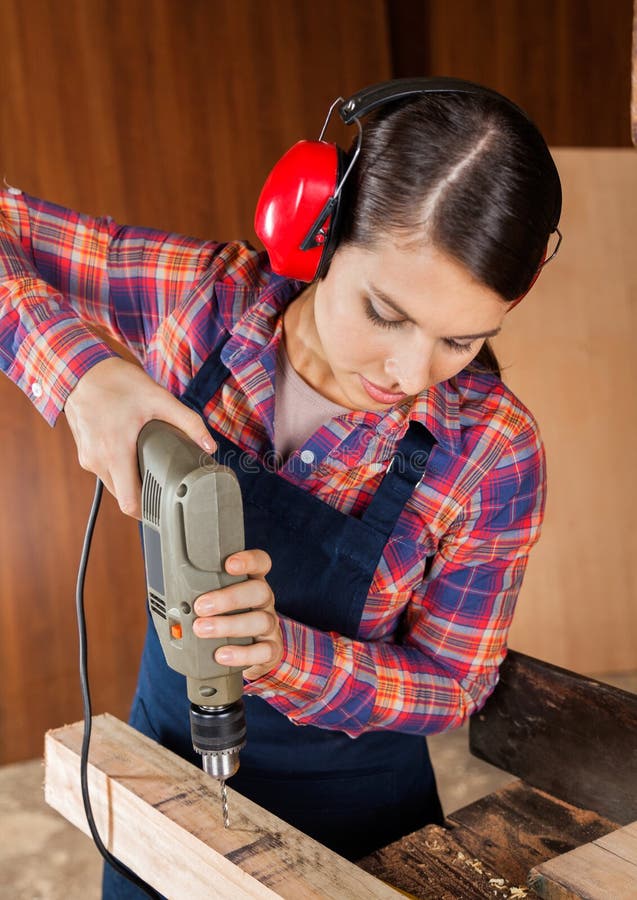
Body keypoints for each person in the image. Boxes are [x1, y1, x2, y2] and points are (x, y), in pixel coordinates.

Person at [0, 78, 561, 894]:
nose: (409, 372)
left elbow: (457, 680)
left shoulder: (491, 450)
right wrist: (83, 379)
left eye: (461, 340)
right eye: (383, 312)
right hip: (165, 767)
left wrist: (286, 657)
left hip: (360, 819)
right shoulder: (204, 306)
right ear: (316, 231)